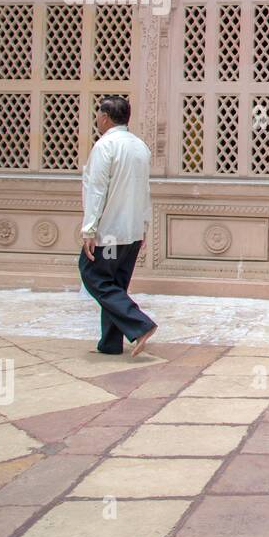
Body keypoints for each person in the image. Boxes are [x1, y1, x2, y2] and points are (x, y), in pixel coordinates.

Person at [79, 96, 157, 357]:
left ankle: (140, 324)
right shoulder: (139, 147)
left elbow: (96, 190)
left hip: (110, 233)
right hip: (132, 231)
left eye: (99, 114)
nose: (97, 119)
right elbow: (145, 190)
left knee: (94, 276)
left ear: (105, 117)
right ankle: (110, 344)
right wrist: (144, 225)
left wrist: (89, 228)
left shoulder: (106, 146)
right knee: (116, 283)